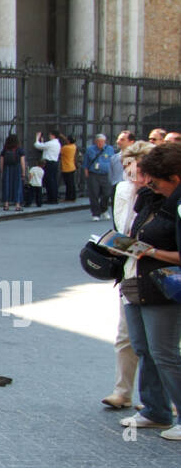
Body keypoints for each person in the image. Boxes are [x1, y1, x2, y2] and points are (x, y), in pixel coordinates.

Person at [118, 142, 181, 441]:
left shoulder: (177, 205)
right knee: (144, 348)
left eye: (154, 180)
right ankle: (155, 410)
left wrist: (151, 251)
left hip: (163, 287)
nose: (149, 185)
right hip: (137, 282)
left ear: (175, 179)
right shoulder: (149, 198)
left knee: (165, 353)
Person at [103, 141, 153, 410]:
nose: (131, 175)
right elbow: (122, 228)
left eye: (135, 170)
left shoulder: (163, 194)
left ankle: (162, 399)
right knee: (126, 335)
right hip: (130, 271)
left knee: (159, 343)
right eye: (126, 169)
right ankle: (122, 391)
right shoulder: (123, 189)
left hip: (156, 273)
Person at [83, 134, 113, 220]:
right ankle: (95, 213)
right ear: (95, 142)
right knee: (94, 194)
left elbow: (113, 161)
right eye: (99, 141)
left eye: (102, 141)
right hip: (94, 174)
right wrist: (86, 173)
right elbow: (86, 162)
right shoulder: (90, 150)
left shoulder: (109, 149)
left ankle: (104, 209)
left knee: (107, 193)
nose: (101, 143)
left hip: (106, 174)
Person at [0, 134, 26, 211]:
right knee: (17, 186)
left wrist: (2, 171)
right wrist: (23, 172)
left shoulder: (4, 150)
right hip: (17, 169)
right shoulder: (20, 150)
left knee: (6, 186)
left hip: (7, 169)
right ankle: (17, 205)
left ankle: (6, 205)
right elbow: (22, 163)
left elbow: (1, 162)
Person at [34, 130, 61, 204]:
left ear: (53, 135)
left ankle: (51, 199)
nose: (49, 136)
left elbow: (37, 146)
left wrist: (37, 138)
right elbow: (45, 148)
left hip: (49, 163)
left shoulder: (51, 143)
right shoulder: (57, 143)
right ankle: (54, 197)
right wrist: (42, 142)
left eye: (50, 134)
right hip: (55, 162)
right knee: (53, 180)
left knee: (49, 181)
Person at [59, 134, 78, 203]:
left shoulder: (65, 148)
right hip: (72, 166)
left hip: (66, 167)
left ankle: (68, 198)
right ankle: (73, 197)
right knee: (72, 183)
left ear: (68, 141)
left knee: (68, 184)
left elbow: (59, 151)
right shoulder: (73, 146)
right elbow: (69, 141)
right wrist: (63, 136)